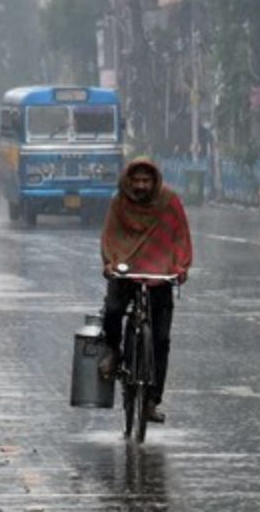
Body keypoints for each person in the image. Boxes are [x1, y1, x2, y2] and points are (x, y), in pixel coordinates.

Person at [98, 158, 193, 424]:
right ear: (128, 182)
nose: (141, 186)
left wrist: (180, 265)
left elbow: (180, 236)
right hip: (126, 271)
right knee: (114, 309)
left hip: (160, 274)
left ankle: (151, 400)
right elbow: (110, 237)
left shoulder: (169, 202)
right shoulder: (119, 204)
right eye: (137, 181)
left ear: (154, 182)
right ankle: (114, 351)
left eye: (146, 181)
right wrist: (111, 263)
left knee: (161, 339)